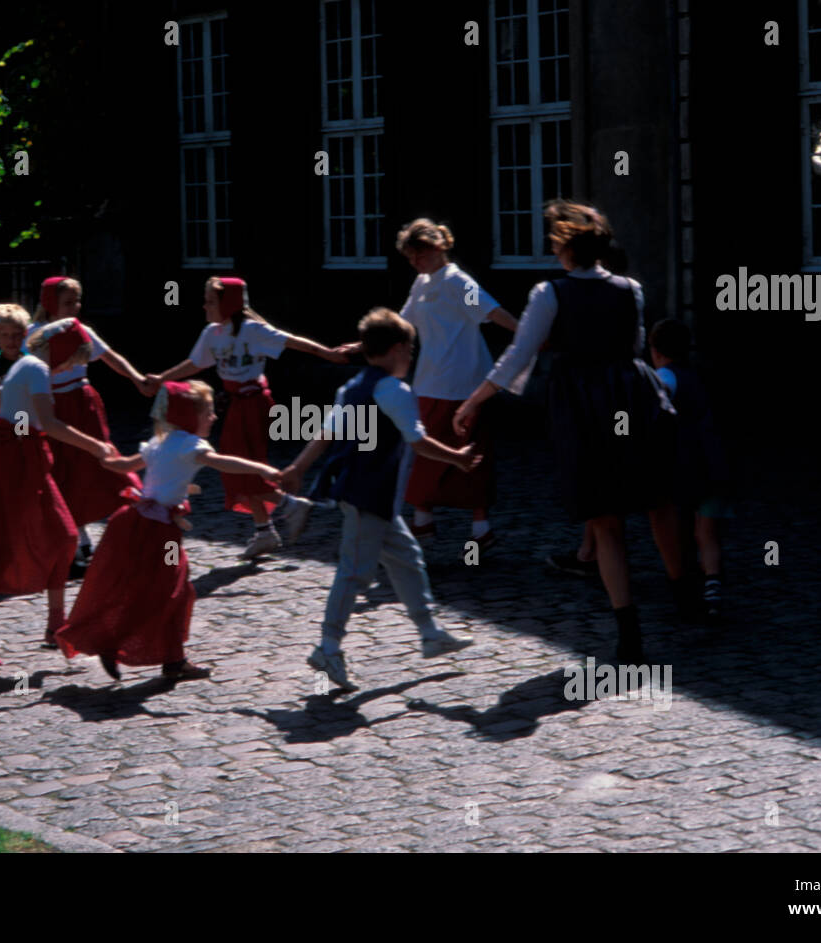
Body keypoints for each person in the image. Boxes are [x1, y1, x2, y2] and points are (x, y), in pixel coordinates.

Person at [454, 200, 687, 664]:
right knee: (658, 501)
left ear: (563, 248)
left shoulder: (549, 293)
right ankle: (687, 595)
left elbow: (519, 354)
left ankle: (629, 632)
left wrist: (475, 400)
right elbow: (634, 346)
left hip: (584, 404)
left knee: (606, 521)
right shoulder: (630, 289)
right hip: (632, 394)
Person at [279, 308, 479, 694]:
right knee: (353, 572)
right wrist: (459, 458)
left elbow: (326, 433)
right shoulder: (393, 390)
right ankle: (327, 647)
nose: (412, 357)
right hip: (368, 495)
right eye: (410, 349)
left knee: (406, 558)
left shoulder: (352, 387)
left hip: (369, 494)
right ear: (399, 348)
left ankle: (429, 632)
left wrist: (297, 466)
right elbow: (417, 441)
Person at [57, 380, 283, 682]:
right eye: (208, 413)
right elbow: (223, 463)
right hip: (161, 534)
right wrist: (262, 469)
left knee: (164, 587)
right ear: (192, 417)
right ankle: (133, 648)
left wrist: (102, 457)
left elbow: (124, 466)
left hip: (134, 524)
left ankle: (171, 658)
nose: (213, 418)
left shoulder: (158, 442)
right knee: (173, 590)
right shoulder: (191, 445)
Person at [0, 316, 115, 669]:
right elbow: (49, 423)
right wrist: (97, 446)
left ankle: (55, 624)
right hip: (14, 462)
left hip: (24, 458)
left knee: (63, 536)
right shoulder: (35, 368)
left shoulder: (26, 365)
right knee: (6, 546)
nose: (69, 366)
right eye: (71, 358)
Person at [147, 276, 348, 558]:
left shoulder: (253, 331)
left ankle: (290, 506)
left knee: (241, 464)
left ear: (228, 304)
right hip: (236, 404)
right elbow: (194, 363)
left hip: (254, 404)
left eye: (210, 302)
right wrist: (162, 379)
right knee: (241, 465)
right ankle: (265, 529)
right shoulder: (211, 334)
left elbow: (291, 342)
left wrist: (326, 353)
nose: (204, 307)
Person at [394, 219, 517, 548]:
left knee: (473, 451)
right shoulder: (421, 284)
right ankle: (424, 520)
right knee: (426, 449)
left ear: (436, 248)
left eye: (418, 255)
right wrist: (367, 344)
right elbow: (402, 325)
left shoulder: (457, 282)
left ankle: (479, 527)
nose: (415, 263)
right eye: (410, 258)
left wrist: (525, 334)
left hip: (466, 381)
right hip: (430, 380)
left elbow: (491, 312)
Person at [31, 276, 150, 576]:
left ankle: (133, 528)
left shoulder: (82, 331)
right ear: (49, 304)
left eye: (78, 300)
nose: (76, 307)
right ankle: (78, 542)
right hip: (54, 409)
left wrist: (136, 377)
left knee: (102, 465)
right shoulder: (35, 336)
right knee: (63, 475)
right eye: (68, 302)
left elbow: (110, 357)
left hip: (83, 406)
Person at [649, 318, 732, 624]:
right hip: (717, 462)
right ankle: (713, 586)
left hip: (686, 466)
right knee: (707, 533)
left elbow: (658, 404)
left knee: (679, 524)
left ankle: (685, 581)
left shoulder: (664, 377)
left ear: (654, 350)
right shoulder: (698, 375)